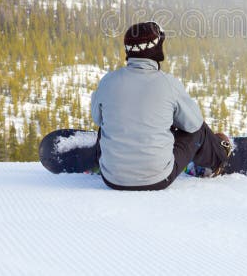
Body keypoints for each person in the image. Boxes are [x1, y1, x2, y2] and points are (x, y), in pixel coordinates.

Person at [90, 21, 232, 190]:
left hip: (111, 178)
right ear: (155, 50)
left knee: (106, 123)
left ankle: (115, 161)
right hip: (157, 178)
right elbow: (194, 124)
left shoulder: (108, 81)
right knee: (198, 131)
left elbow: (97, 119)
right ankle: (217, 159)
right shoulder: (167, 83)